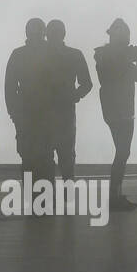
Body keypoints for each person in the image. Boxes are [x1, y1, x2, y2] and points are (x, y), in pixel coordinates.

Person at [93, 17, 137, 211]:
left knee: (122, 151)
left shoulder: (105, 54)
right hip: (120, 109)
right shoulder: (109, 56)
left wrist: (136, 57)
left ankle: (115, 194)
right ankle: (114, 196)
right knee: (123, 152)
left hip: (116, 108)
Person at [43, 19, 92, 178]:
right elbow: (87, 84)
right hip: (51, 112)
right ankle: (61, 195)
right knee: (61, 157)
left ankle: (57, 195)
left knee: (62, 156)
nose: (53, 36)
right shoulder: (73, 54)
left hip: (58, 112)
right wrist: (73, 96)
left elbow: (87, 84)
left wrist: (73, 96)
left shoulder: (73, 55)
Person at [4, 18, 53, 178]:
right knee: (36, 158)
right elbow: (10, 88)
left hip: (39, 114)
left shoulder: (19, 54)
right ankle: (41, 198)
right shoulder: (50, 52)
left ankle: (37, 198)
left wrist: (14, 114)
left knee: (36, 158)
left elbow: (10, 88)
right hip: (30, 115)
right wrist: (15, 114)